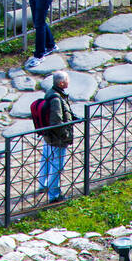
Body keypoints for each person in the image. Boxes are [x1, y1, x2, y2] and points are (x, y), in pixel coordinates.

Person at [38, 70, 74, 203]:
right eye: (67, 79)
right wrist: (65, 136)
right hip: (57, 139)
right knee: (56, 165)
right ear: (61, 83)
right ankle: (54, 194)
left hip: (48, 137)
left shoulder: (52, 93)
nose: (69, 81)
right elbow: (57, 120)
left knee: (46, 160)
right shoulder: (56, 99)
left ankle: (42, 185)